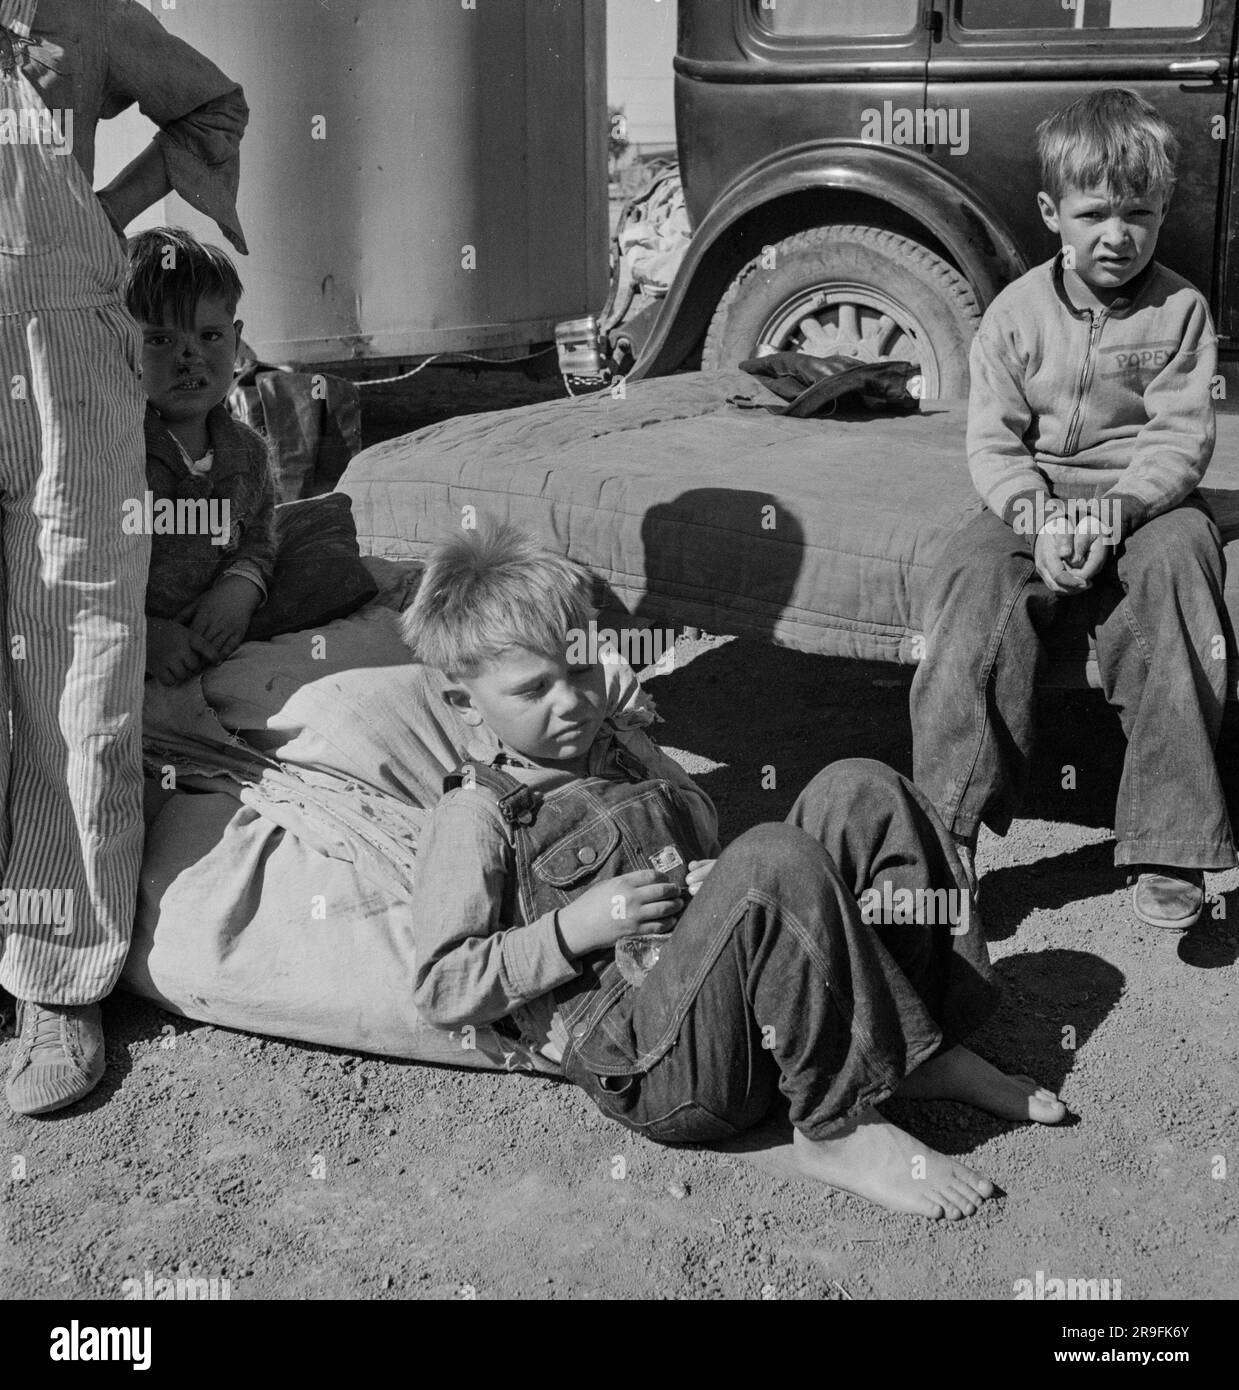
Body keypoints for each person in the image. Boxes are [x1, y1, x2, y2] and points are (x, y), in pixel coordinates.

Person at [403, 524, 1066, 1221]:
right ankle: (835, 1128)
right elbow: (443, 988)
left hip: (740, 1010)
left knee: (862, 791)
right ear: (466, 704)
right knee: (771, 858)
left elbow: (698, 842)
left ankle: (916, 1046)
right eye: (533, 689)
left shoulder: (620, 746)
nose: (568, 701)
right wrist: (577, 926)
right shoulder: (477, 816)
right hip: (657, 1064)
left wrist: (703, 867)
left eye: (580, 671)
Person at [1, 0, 247, 1115]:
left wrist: (106, 214)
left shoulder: (77, 14)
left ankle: (58, 978)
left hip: (69, 351)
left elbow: (210, 103)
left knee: (82, 661)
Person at [910, 88, 1235, 931]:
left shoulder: (1182, 311)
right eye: (1093, 214)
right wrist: (1035, 518)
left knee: (1180, 572)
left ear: (1162, 211)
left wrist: (1115, 515)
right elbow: (993, 443)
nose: (1117, 236)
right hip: (1036, 494)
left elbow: (1178, 440)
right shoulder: (1014, 314)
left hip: (1144, 499)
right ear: (1053, 212)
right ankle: (942, 836)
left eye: (1140, 213)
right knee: (971, 583)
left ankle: (1172, 838)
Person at [124, 228, 276, 686]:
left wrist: (240, 589)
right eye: (160, 340)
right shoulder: (111, 451)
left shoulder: (248, 453)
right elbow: (81, 567)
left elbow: (258, 540)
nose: (190, 357)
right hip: (124, 648)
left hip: (215, 636)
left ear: (237, 339)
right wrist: (142, 637)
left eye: (210, 335)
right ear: (119, 342)